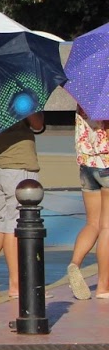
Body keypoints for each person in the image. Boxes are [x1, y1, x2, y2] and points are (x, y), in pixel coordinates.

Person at [0, 110, 45, 298]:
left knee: (2, 222)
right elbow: (37, 124)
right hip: (17, 163)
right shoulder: (18, 90)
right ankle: (16, 284)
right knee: (15, 224)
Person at [67, 106, 109, 300]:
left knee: (92, 223)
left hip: (86, 165)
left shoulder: (86, 95)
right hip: (106, 164)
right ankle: (102, 287)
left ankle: (75, 263)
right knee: (107, 228)